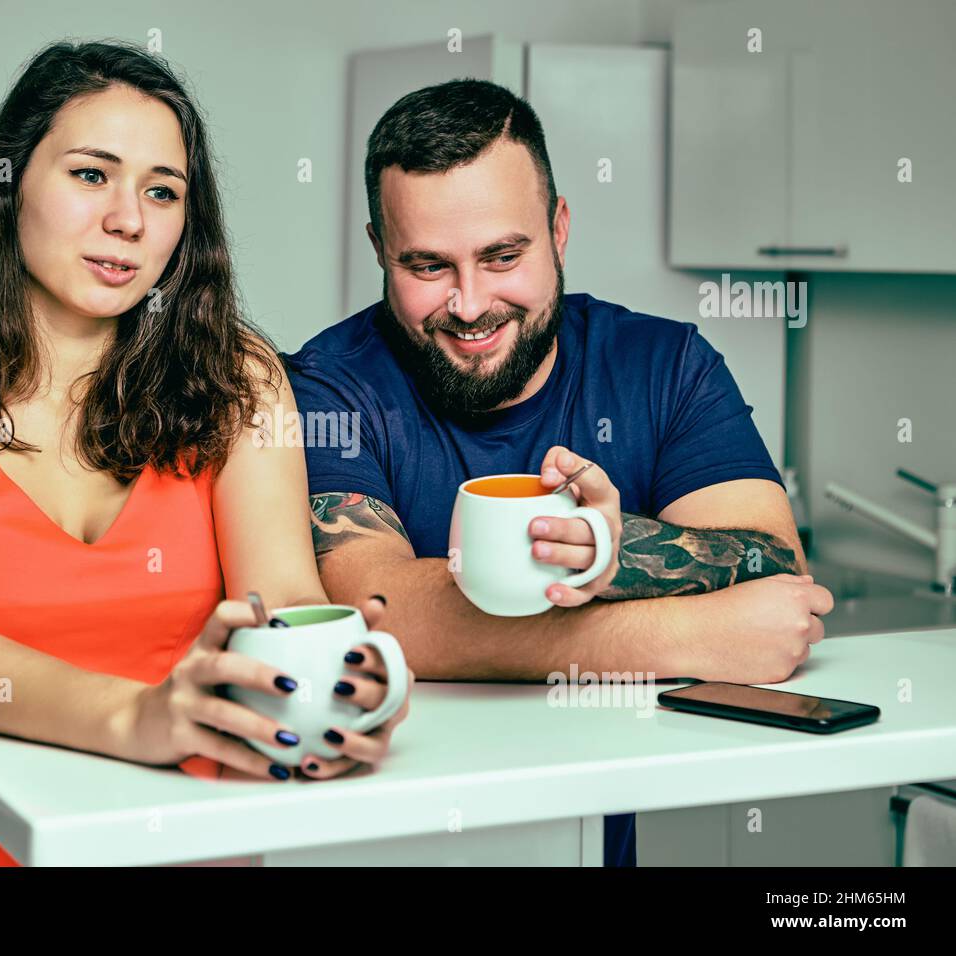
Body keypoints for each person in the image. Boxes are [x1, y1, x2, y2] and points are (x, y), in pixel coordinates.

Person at [0, 40, 411, 866]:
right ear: (9, 184)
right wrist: (143, 718)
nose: (128, 219)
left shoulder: (239, 382)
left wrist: (337, 687)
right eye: (91, 174)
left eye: (161, 191)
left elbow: (280, 602)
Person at [285, 79, 833, 867]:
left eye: (503, 256)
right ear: (379, 249)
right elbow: (376, 615)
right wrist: (689, 633)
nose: (471, 305)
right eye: (428, 266)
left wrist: (616, 548)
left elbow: (778, 575)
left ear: (560, 228)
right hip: (381, 845)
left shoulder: (666, 366)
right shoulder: (326, 388)